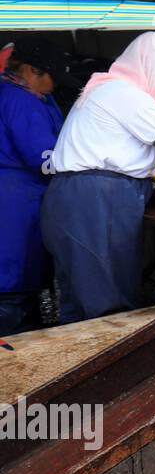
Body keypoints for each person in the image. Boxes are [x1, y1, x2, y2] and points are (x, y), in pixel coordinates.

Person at [41, 32, 155, 324]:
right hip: (97, 200)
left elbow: (135, 154)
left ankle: (83, 364)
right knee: (108, 301)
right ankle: (114, 365)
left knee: (80, 298)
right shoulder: (125, 95)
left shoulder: (104, 90)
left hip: (77, 197)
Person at [0, 38, 68, 335]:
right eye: (51, 77)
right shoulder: (20, 101)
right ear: (30, 70)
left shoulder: (32, 96)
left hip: (22, 198)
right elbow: (43, 157)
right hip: (16, 203)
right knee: (12, 285)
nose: (55, 85)